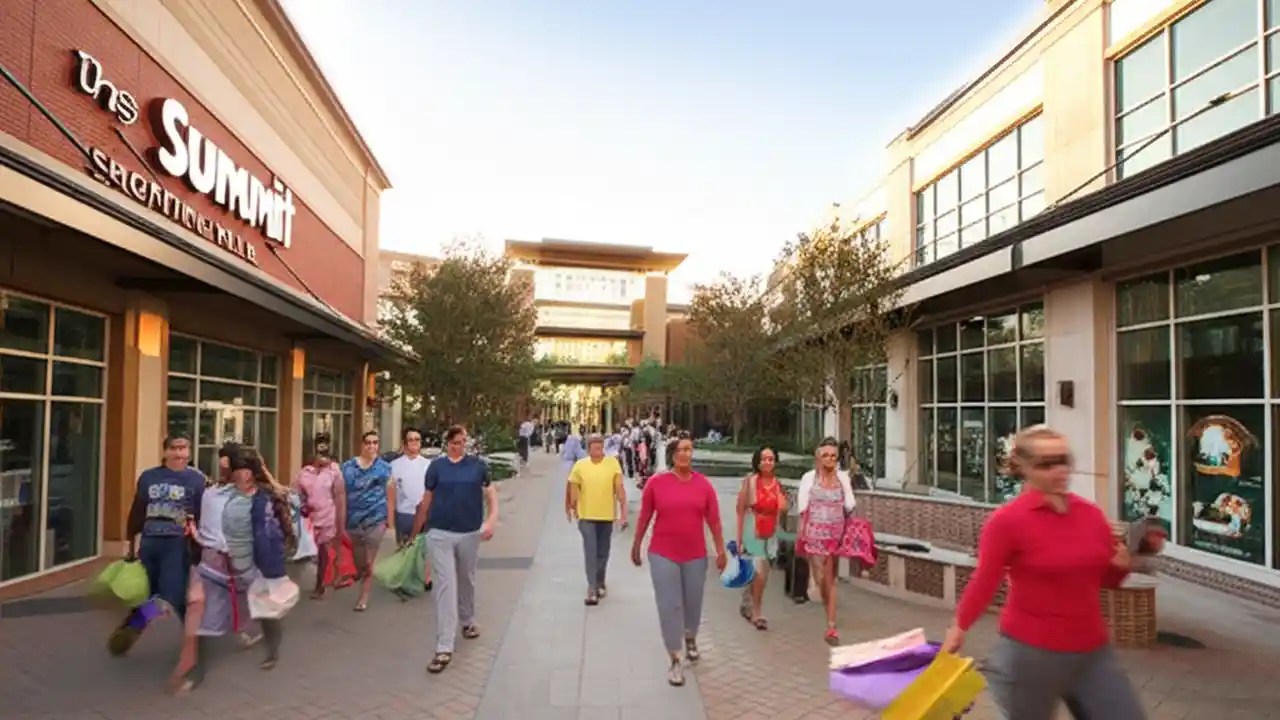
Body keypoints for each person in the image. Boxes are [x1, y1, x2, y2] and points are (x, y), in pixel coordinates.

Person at [940, 426, 1145, 719]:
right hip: (1031, 656)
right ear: (1024, 468)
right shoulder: (1008, 521)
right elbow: (986, 579)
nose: (1059, 470)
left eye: (1064, 460)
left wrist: (1121, 567)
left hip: (1092, 653)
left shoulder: (1090, 514)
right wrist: (959, 627)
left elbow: (1102, 580)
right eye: (1046, 464)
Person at [171, 444, 290, 691]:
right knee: (202, 615)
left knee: (264, 607)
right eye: (229, 467)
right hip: (213, 563)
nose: (235, 473)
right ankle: (198, 670)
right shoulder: (211, 493)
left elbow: (273, 528)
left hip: (247, 563)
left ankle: (273, 649)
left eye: (239, 468)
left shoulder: (262, 497)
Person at [630, 432, 727, 687]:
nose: (685, 454)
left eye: (689, 449)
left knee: (692, 602)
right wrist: (637, 544)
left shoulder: (703, 484)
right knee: (669, 605)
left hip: (695, 554)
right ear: (672, 455)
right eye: (680, 450)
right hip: (663, 553)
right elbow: (645, 516)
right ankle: (675, 657)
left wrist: (720, 550)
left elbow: (714, 520)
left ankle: (690, 637)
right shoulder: (656, 483)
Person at [410, 425, 500, 674]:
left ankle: (468, 620)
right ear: (446, 443)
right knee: (445, 586)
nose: (457, 446)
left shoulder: (477, 466)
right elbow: (426, 499)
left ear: (466, 443)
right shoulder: (437, 467)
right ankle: (444, 646)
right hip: (440, 533)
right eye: (453, 442)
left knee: (466, 579)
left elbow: (490, 494)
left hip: (470, 533)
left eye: (461, 442)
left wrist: (491, 520)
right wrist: (416, 531)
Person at [126, 434, 206, 622]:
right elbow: (138, 508)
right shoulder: (149, 477)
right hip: (150, 541)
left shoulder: (197, 479)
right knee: (145, 590)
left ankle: (184, 633)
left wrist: (200, 545)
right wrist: (130, 541)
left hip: (177, 544)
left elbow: (201, 512)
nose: (179, 452)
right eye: (174, 448)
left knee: (172, 591)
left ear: (189, 452)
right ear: (165, 452)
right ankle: (136, 627)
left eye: (183, 448)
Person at [796, 437, 856, 646]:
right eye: (825, 456)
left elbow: (850, 504)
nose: (829, 459)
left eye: (833, 456)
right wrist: (801, 535)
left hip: (835, 536)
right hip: (813, 536)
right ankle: (825, 601)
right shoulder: (809, 479)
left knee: (830, 578)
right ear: (818, 457)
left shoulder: (843, 479)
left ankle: (831, 625)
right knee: (820, 577)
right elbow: (802, 508)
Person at [567, 434, 627, 605]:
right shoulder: (580, 466)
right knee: (591, 551)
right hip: (586, 516)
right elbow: (573, 486)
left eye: (600, 446)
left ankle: (600, 581)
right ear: (589, 449)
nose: (597, 449)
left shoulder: (612, 464)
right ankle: (592, 588)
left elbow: (619, 488)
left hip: (607, 516)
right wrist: (573, 506)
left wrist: (622, 512)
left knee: (603, 553)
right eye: (594, 446)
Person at [340, 431, 395, 612]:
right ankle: (361, 573)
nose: (372, 446)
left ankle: (363, 596)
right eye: (368, 443)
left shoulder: (384, 468)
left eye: (375, 443)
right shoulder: (348, 467)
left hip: (376, 518)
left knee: (370, 560)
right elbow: (341, 494)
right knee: (360, 561)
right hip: (354, 519)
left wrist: (390, 520)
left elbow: (390, 494)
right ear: (362, 445)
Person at [735, 445, 787, 630]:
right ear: (757, 461)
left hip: (771, 532)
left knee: (763, 575)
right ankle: (757, 612)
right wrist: (739, 539)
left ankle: (748, 601)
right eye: (764, 459)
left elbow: (782, 509)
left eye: (771, 459)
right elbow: (740, 510)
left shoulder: (777, 483)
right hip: (753, 530)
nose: (767, 462)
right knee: (759, 572)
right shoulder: (750, 482)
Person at [294, 435, 341, 599]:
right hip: (310, 518)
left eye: (325, 452)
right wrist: (303, 506)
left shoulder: (334, 471)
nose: (322, 456)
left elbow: (339, 495)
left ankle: (320, 584)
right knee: (311, 553)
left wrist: (341, 520)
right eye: (319, 452)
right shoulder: (304, 473)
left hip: (328, 516)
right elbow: (298, 495)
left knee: (324, 552)